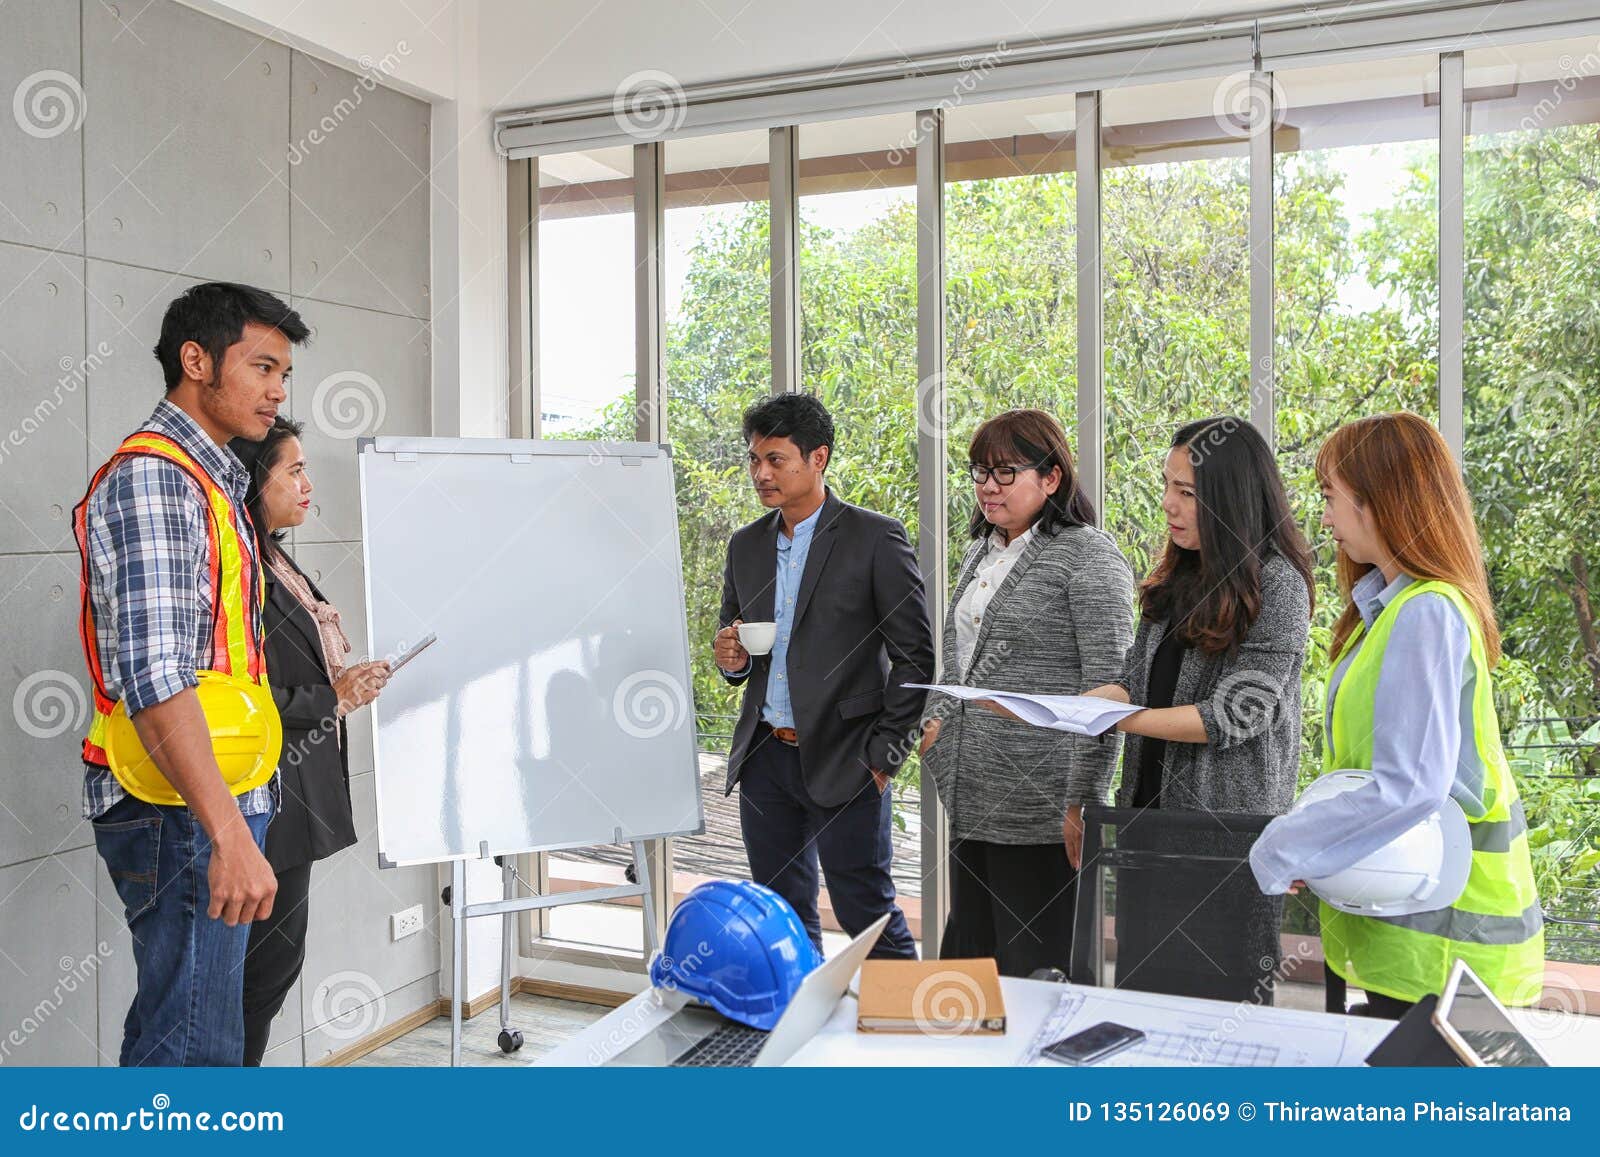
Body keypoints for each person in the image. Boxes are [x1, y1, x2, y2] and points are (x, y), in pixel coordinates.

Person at [75, 282, 307, 1065]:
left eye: (286, 373)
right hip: (179, 803)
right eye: (264, 366)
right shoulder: (159, 478)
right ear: (195, 359)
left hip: (203, 797)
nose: (279, 390)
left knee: (184, 1029)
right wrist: (227, 828)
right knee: (194, 1048)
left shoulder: (210, 479)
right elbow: (155, 676)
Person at [1250, 412, 1544, 1016]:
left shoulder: (1425, 613)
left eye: (1331, 498)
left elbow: (1409, 784)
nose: (1324, 518)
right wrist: (1321, 846)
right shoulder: (1390, 612)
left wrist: (1284, 845)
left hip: (1446, 948)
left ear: (1381, 500)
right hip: (1418, 931)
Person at [1081, 416, 1316, 999]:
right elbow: (1136, 681)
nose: (1168, 504)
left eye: (1186, 493)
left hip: (1225, 845)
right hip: (1148, 828)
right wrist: (1081, 705)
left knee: (1222, 1017)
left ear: (1232, 498)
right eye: (1167, 486)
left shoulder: (1279, 586)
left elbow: (1235, 714)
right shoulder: (1175, 578)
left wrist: (1118, 717)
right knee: (1145, 1006)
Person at [713, 393, 932, 959]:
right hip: (765, 758)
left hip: (848, 757)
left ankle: (905, 1042)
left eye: (776, 459)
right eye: (755, 459)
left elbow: (916, 660)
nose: (762, 473)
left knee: (866, 911)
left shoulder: (874, 538)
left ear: (818, 459)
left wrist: (884, 759)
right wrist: (730, 658)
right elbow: (733, 642)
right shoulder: (745, 545)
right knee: (779, 916)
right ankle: (802, 1036)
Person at [917, 409, 1134, 976]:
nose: (988, 486)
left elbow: (1109, 690)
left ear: (1052, 477)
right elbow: (958, 664)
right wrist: (935, 728)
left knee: (1034, 981)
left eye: (1005, 472)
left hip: (1041, 810)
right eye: (979, 472)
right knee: (967, 982)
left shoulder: (1087, 554)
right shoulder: (982, 551)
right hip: (971, 802)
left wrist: (1081, 802)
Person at [232, 417, 392, 1065]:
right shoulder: (237, 567)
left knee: (270, 966)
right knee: (259, 973)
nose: (307, 483)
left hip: (295, 794)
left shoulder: (270, 551)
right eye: (293, 470)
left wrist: (343, 684)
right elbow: (235, 696)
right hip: (266, 797)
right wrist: (335, 696)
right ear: (251, 480)